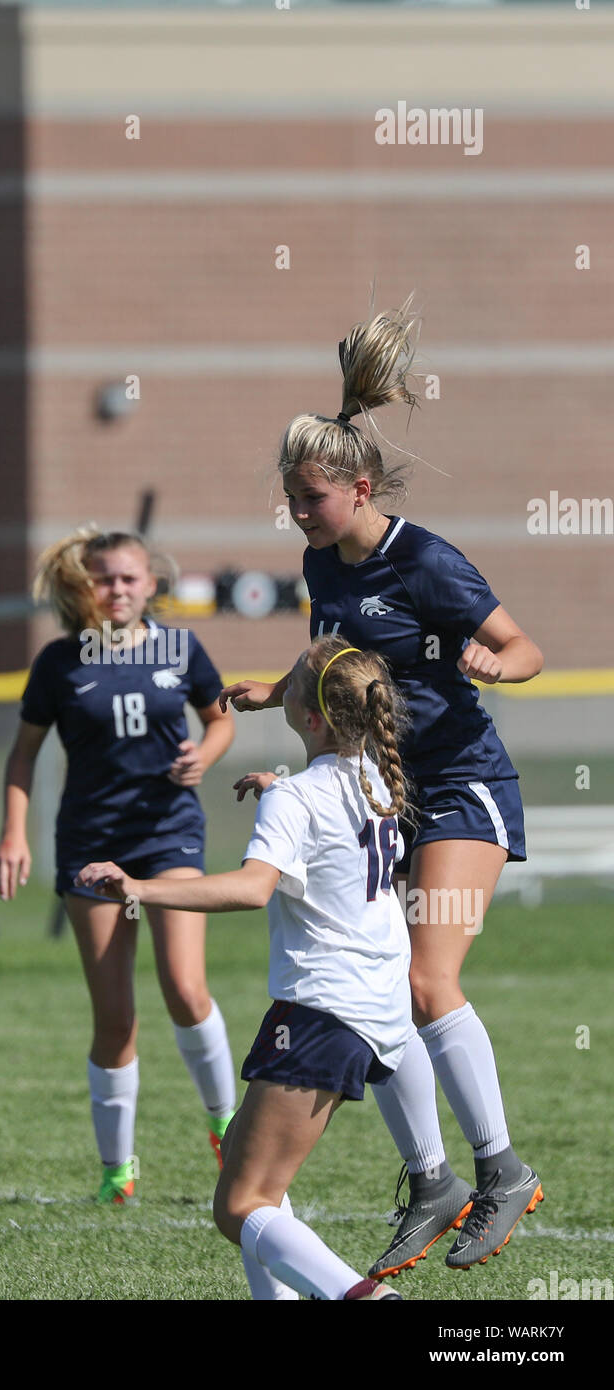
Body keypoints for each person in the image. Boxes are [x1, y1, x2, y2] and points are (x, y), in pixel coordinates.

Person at [220, 296, 545, 1277]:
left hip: (461, 785)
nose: (299, 512)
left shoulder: (430, 563)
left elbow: (524, 644)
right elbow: (336, 651)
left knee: (423, 977)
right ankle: (434, 1178)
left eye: (310, 498)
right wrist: (280, 691)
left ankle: (503, 1171)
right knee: (382, 995)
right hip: (380, 788)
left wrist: (498, 667)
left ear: (359, 487)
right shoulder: (325, 559)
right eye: (292, 499)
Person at [78, 637, 413, 1300]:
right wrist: (280, 789)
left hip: (322, 1010)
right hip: (376, 1006)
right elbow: (330, 833)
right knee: (255, 1182)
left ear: (312, 717)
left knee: (237, 1206)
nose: (278, 689)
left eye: (292, 682)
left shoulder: (300, 799)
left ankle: (361, 1295)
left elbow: (251, 888)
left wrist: (138, 888)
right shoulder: (378, 779)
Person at [0, 526, 237, 1204]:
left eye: (129, 578)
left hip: (169, 837)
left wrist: (206, 754)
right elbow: (22, 756)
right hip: (90, 845)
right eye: (104, 579)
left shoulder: (181, 648)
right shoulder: (59, 663)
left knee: (186, 990)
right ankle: (117, 1172)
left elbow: (220, 720)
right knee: (115, 1018)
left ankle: (228, 1129)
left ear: (151, 583)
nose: (117, 590)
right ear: (84, 586)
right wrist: (14, 834)